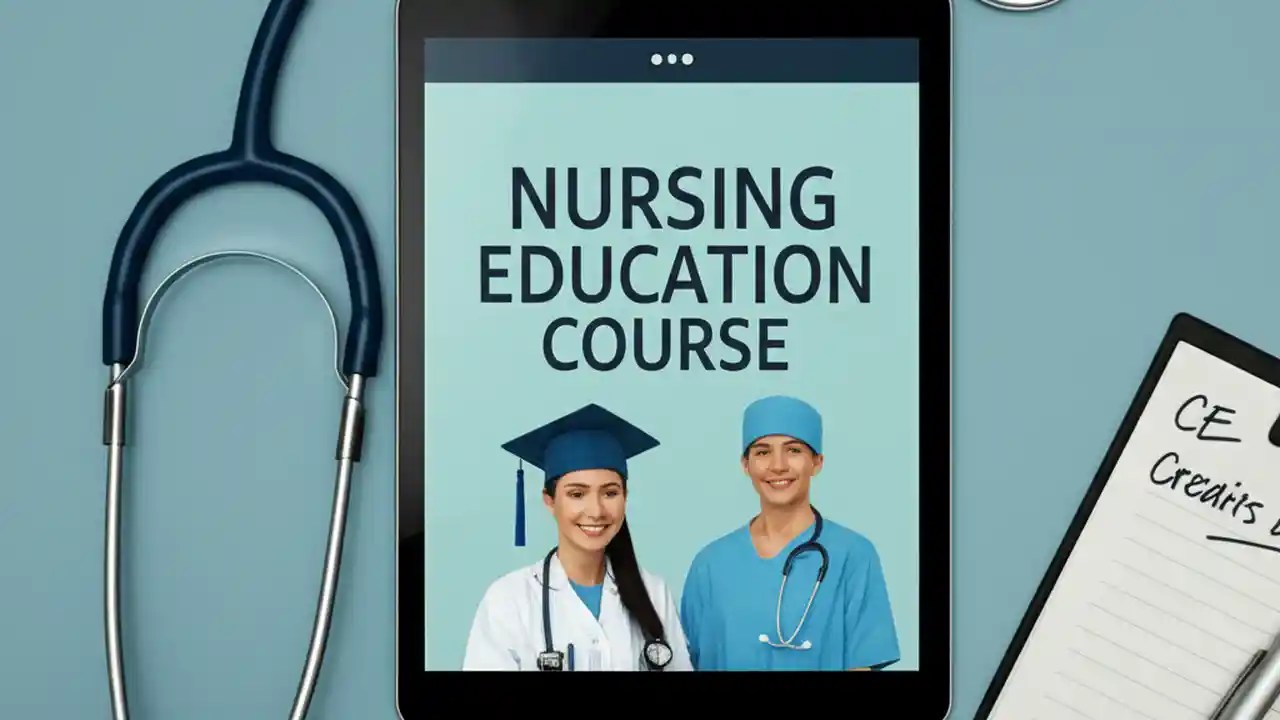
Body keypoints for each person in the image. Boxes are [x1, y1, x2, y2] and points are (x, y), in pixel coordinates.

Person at [462, 403, 693, 672]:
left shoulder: (653, 592)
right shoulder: (509, 600)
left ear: (625, 497)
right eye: (576, 494)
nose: (595, 511)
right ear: (549, 500)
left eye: (610, 493)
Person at [679, 395, 900, 671]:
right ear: (745, 465)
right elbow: (684, 662)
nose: (778, 465)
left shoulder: (853, 555)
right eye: (762, 452)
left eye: (793, 450)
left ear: (817, 462)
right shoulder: (710, 565)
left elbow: (862, 664)